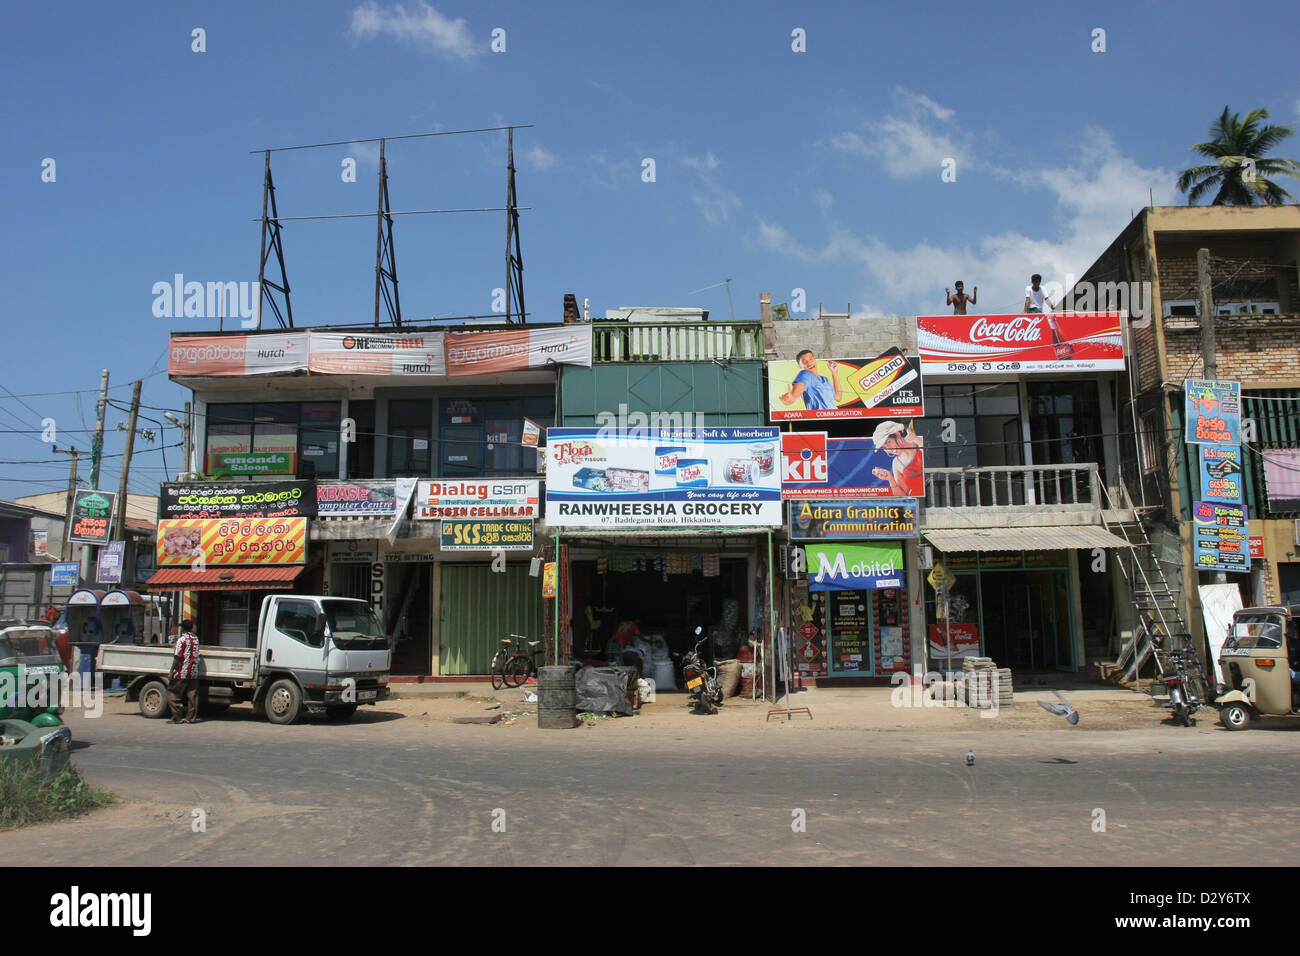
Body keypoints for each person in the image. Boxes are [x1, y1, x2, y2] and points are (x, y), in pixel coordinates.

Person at [1024, 274, 1073, 358]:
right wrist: (1025, 312)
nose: (1037, 283)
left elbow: (1046, 299)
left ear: (1039, 282)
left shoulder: (1043, 289)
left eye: (1038, 282)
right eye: (1035, 282)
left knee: (1040, 325)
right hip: (1030, 310)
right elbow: (1027, 300)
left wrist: (1052, 307)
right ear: (1032, 282)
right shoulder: (1028, 288)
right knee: (1029, 327)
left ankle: (1038, 344)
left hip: (1038, 310)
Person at [870, 419, 923, 497]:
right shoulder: (896, 463)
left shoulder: (919, 442)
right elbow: (902, 496)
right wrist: (890, 479)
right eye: (884, 447)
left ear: (898, 434)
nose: (888, 449)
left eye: (888, 442)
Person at [778, 349, 843, 410]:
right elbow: (800, 386)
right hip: (819, 420)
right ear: (800, 366)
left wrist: (834, 373)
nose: (809, 363)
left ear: (814, 360)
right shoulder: (805, 374)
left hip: (834, 418)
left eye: (811, 359)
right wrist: (793, 396)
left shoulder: (825, 379)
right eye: (804, 362)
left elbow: (838, 397)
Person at [167, 618, 200, 724]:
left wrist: (171, 671)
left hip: (182, 672)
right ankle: (191, 718)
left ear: (183, 628)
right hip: (193, 672)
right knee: (192, 696)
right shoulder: (196, 639)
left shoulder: (182, 640)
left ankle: (177, 716)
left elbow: (177, 657)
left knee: (172, 694)